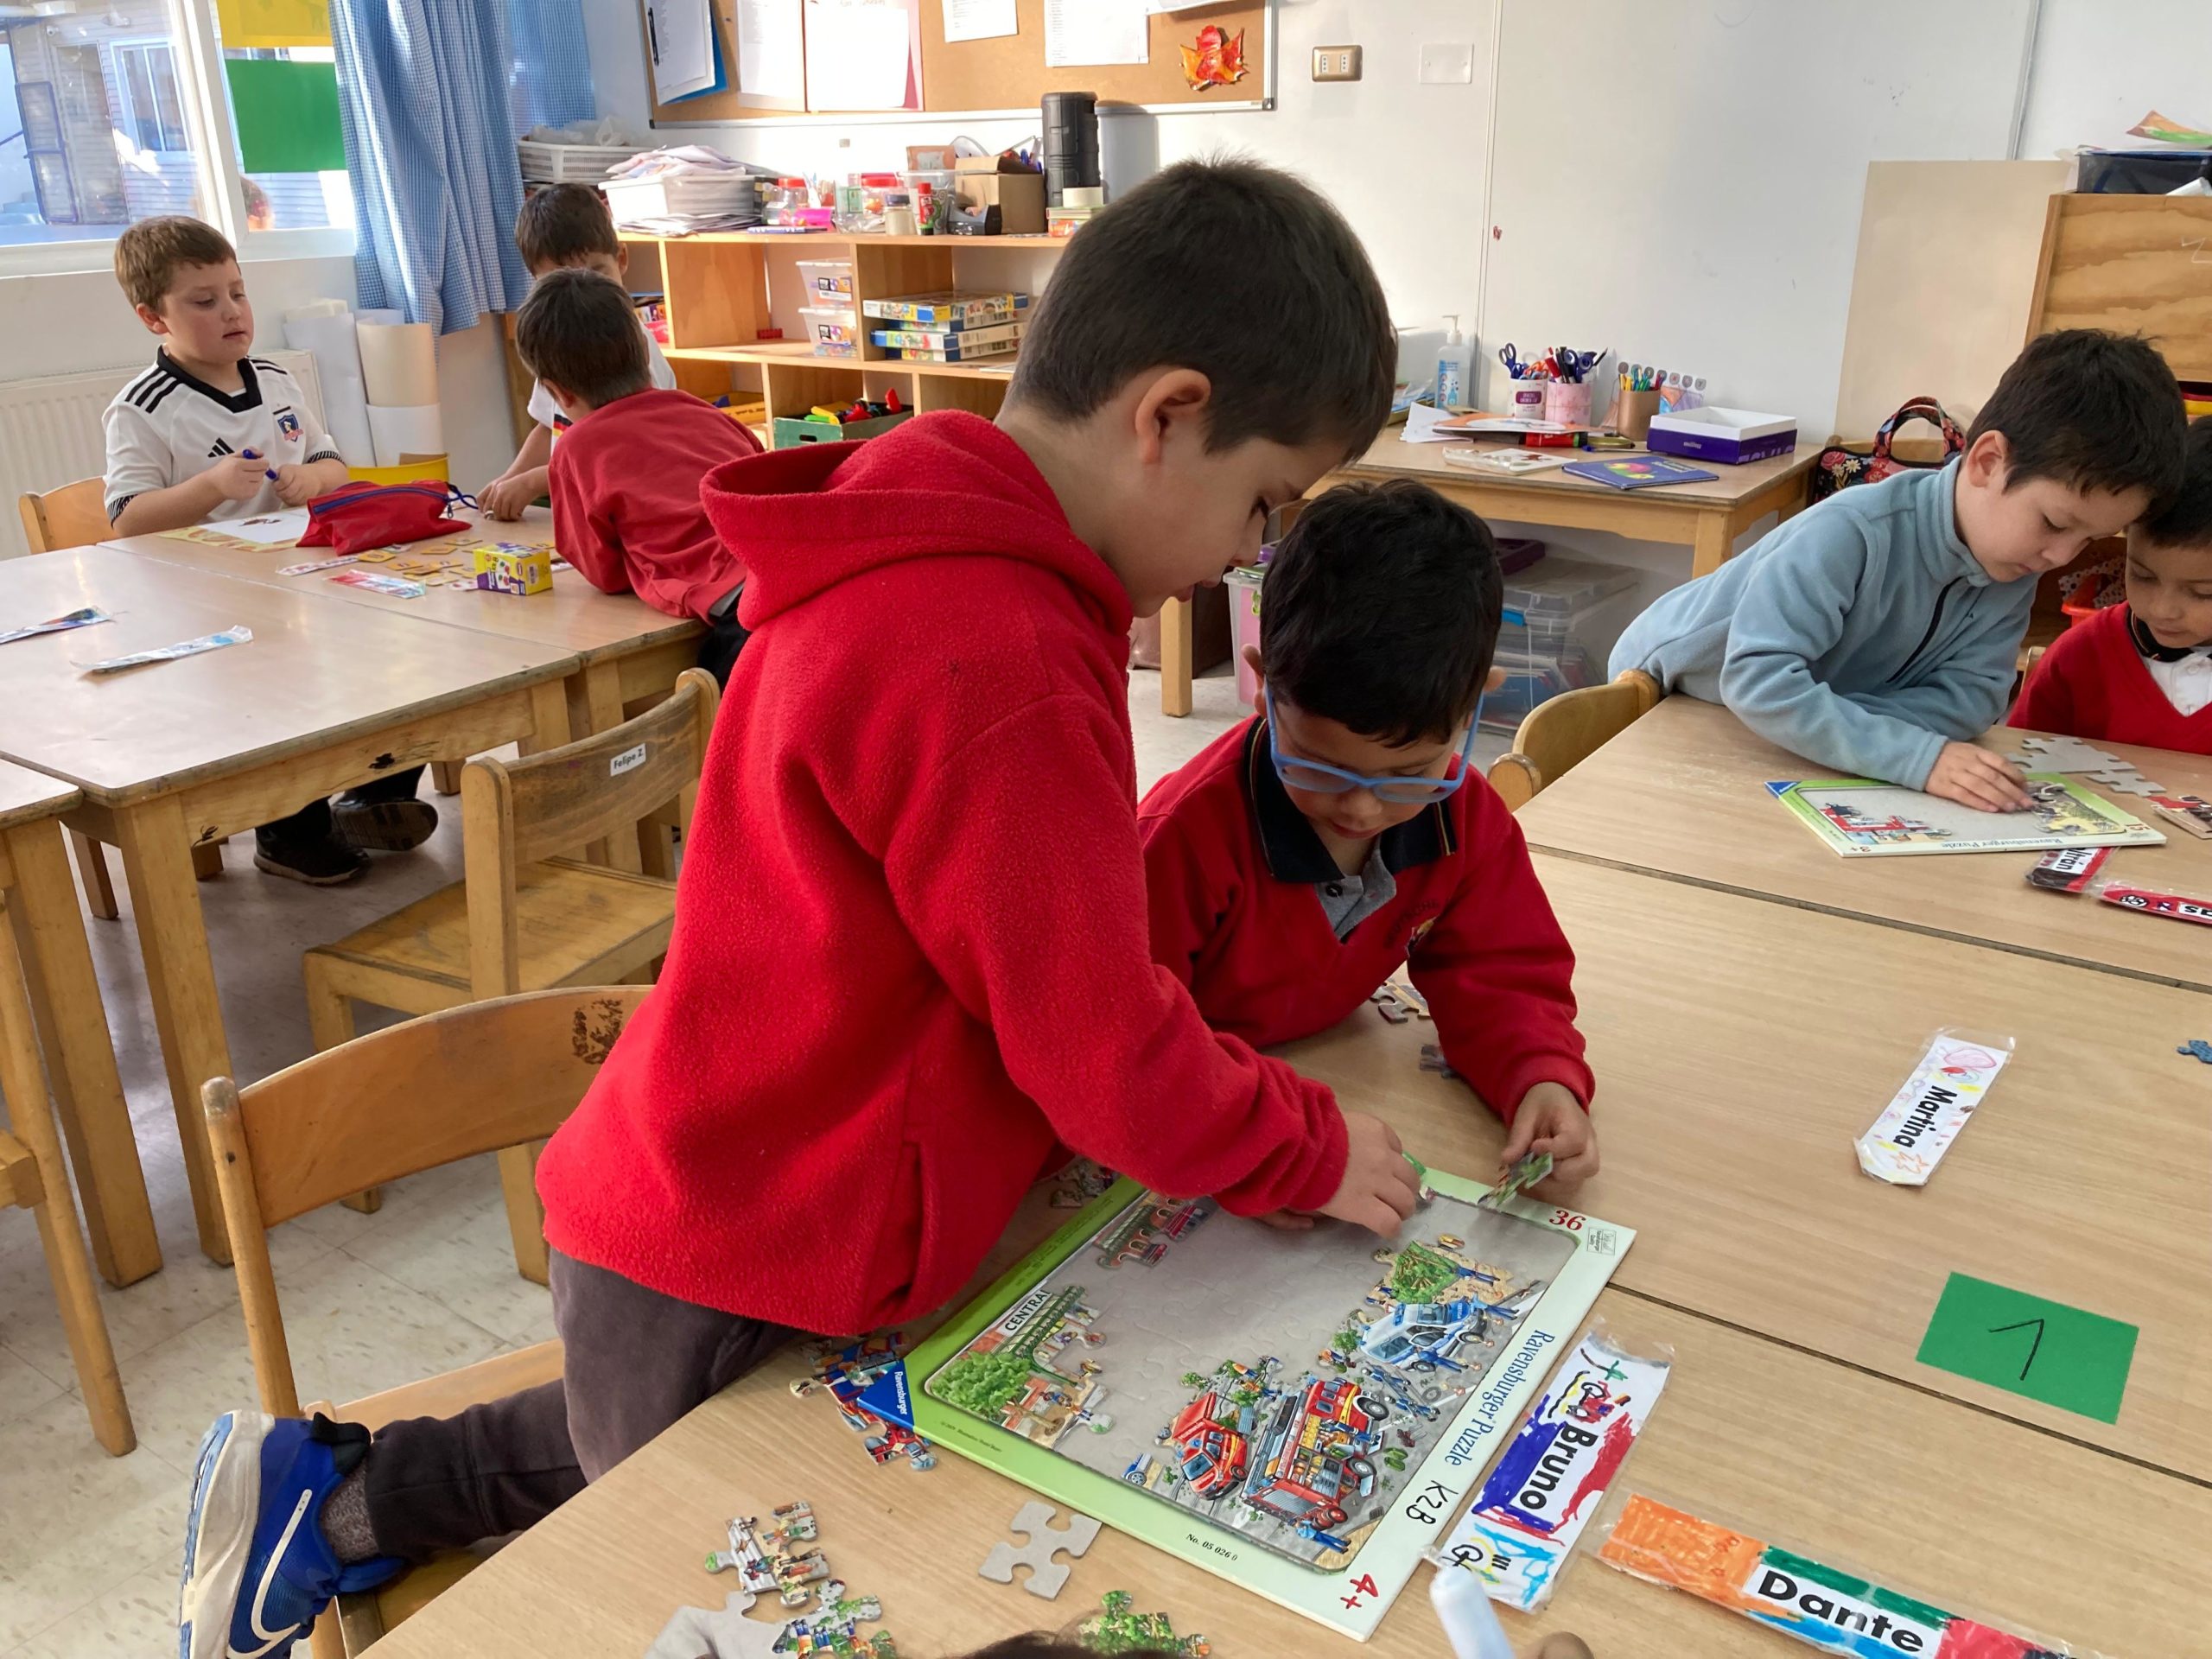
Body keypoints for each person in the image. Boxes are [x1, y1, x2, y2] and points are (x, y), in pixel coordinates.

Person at [179, 157, 1414, 1658]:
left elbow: (1018, 963)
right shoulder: (997, 652)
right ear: (1166, 417)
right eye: (1263, 505)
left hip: (746, 1199)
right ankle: (330, 1508)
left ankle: (326, 1487)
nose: (1248, 554)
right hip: (740, 1236)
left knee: (632, 1437)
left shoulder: (944, 538)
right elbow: (1100, 1052)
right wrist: (1311, 1143)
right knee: (696, 1525)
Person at [1141, 481, 1596, 1194]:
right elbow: (1129, 1047)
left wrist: (1539, 1073)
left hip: (1328, 1075)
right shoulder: (1177, 840)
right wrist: (1264, 1151)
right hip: (1207, 1111)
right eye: (1319, 766)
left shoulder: (1464, 815)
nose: (1360, 809)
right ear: (1263, 687)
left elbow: (1501, 970)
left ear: (1475, 709)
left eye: (1409, 772)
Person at [1608, 329, 2186, 811]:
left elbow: (1971, 701)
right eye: (2056, 524)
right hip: (1663, 696)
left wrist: (1856, 731)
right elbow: (1759, 678)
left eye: (2090, 538)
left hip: (1770, 727)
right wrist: (1912, 754)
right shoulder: (1851, 533)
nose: (2061, 558)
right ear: (1986, 462)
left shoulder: (2011, 563)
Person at [101, 216, 433, 884]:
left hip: (301, 574)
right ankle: (289, 831)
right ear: (152, 318)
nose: (231, 312)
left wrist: (315, 477)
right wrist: (207, 487)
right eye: (204, 301)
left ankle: (375, 794)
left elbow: (331, 461)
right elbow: (127, 519)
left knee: (406, 644)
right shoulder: (142, 408)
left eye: (238, 292)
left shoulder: (277, 379)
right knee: (286, 685)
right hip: (207, 607)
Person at [515, 268, 764, 685]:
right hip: (791, 580)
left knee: (708, 728)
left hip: (741, 617)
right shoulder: (704, 411)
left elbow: (603, 574)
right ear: (645, 354)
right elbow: (764, 479)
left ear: (558, 394)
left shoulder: (577, 449)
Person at [2011, 413, 2212, 752]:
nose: (2162, 609)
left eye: (2203, 592)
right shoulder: (2080, 657)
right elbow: (2020, 767)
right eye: (2143, 576)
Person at [480, 183, 678, 520]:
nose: (580, 291)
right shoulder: (557, 344)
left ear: (622, 260)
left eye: (594, 273)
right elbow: (550, 425)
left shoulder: (633, 346)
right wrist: (510, 477)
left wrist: (533, 482)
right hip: (581, 511)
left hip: (633, 513)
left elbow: (628, 451)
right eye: (558, 279)